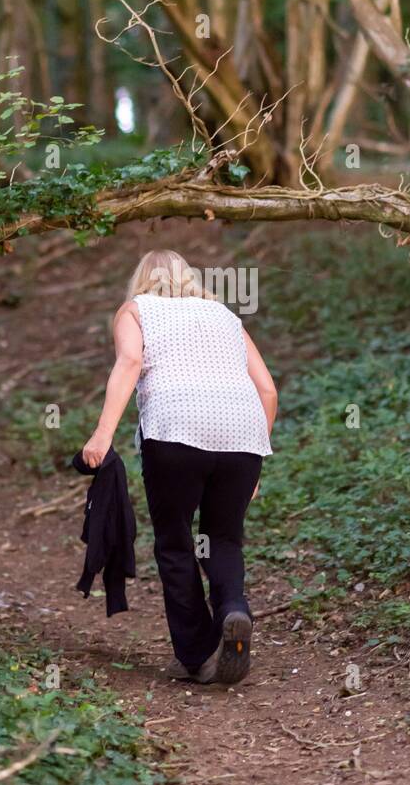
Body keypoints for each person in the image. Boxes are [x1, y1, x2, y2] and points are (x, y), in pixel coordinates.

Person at [82, 249, 278, 684]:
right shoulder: (224, 315)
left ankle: (196, 655)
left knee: (176, 542)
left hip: (175, 432)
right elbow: (266, 390)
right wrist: (255, 456)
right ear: (188, 278)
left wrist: (102, 434)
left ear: (141, 280)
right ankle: (233, 610)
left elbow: (130, 362)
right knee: (223, 538)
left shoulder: (136, 310)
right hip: (241, 435)